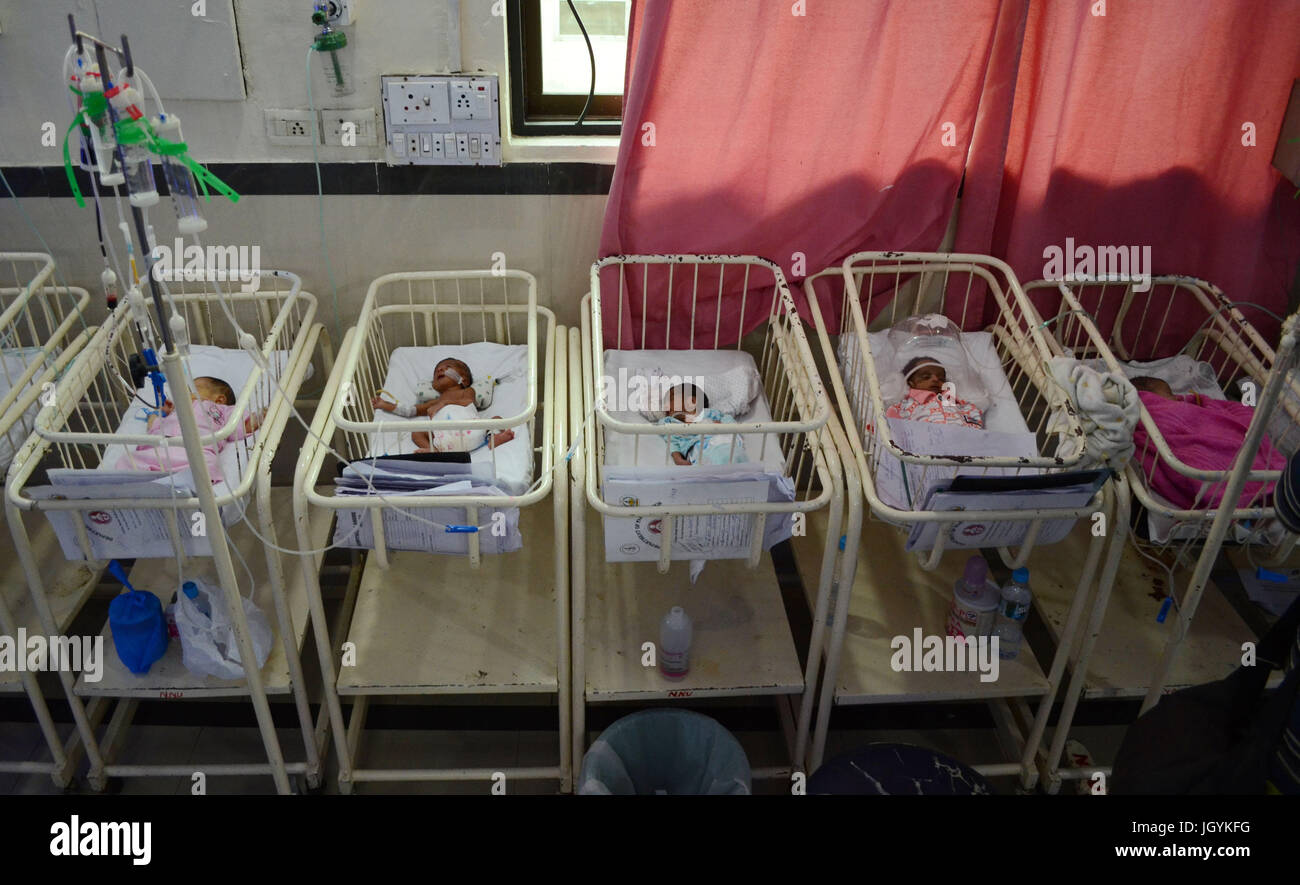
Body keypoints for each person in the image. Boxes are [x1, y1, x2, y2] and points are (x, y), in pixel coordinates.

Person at [1130, 375, 1284, 510]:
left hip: (1215, 451)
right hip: (1194, 455)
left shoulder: (1189, 407)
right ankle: (1252, 491)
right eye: (1169, 395)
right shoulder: (1149, 407)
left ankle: (1236, 493)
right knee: (1202, 459)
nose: (1176, 398)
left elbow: (1233, 413)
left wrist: (1204, 404)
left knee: (1229, 450)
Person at [119, 375, 260, 484]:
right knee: (127, 459)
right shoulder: (176, 410)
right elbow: (153, 426)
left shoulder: (221, 410)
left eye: (192, 390)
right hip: (161, 449)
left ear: (219, 399)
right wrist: (162, 412)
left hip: (196, 450)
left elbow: (237, 425)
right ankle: (134, 487)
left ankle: (182, 486)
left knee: (207, 464)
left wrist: (257, 419)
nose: (185, 393)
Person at [371, 357, 513, 452]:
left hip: (474, 432)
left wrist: (444, 403)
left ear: (462, 379)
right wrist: (385, 404)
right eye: (437, 371)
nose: (440, 370)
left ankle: (493, 438)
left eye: (447, 367)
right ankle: (434, 451)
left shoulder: (467, 392)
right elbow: (410, 411)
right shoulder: (434, 403)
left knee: (497, 419)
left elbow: (467, 402)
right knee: (416, 433)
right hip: (444, 442)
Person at [657, 383, 747, 466]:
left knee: (732, 456)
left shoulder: (712, 413)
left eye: (671, 399)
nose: (666, 406)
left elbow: (731, 423)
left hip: (724, 442)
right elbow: (672, 441)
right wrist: (678, 458)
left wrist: (722, 425)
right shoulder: (672, 422)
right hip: (700, 450)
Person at [885, 357, 984, 428]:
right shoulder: (906, 404)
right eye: (926, 377)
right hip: (925, 447)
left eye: (941, 378)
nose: (936, 379)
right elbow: (891, 425)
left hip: (960, 445)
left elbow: (974, 420)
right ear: (911, 383)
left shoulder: (957, 404)